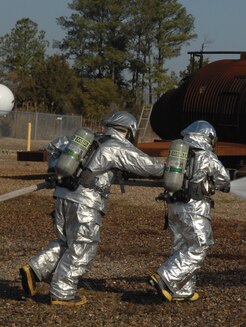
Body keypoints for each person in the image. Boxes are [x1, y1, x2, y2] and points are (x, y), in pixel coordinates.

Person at [20, 111, 165, 306]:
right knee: (83, 245)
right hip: (86, 201)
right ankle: (62, 293)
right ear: (128, 131)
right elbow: (149, 166)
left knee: (67, 241)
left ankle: (35, 269)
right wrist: (176, 170)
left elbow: (54, 146)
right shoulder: (116, 147)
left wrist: (55, 168)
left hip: (62, 195)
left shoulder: (85, 140)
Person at [149, 120, 230, 302]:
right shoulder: (206, 156)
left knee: (181, 247)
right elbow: (224, 179)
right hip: (194, 208)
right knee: (198, 247)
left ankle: (182, 290)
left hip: (173, 206)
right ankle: (165, 277)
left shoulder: (179, 151)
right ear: (208, 138)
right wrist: (220, 185)